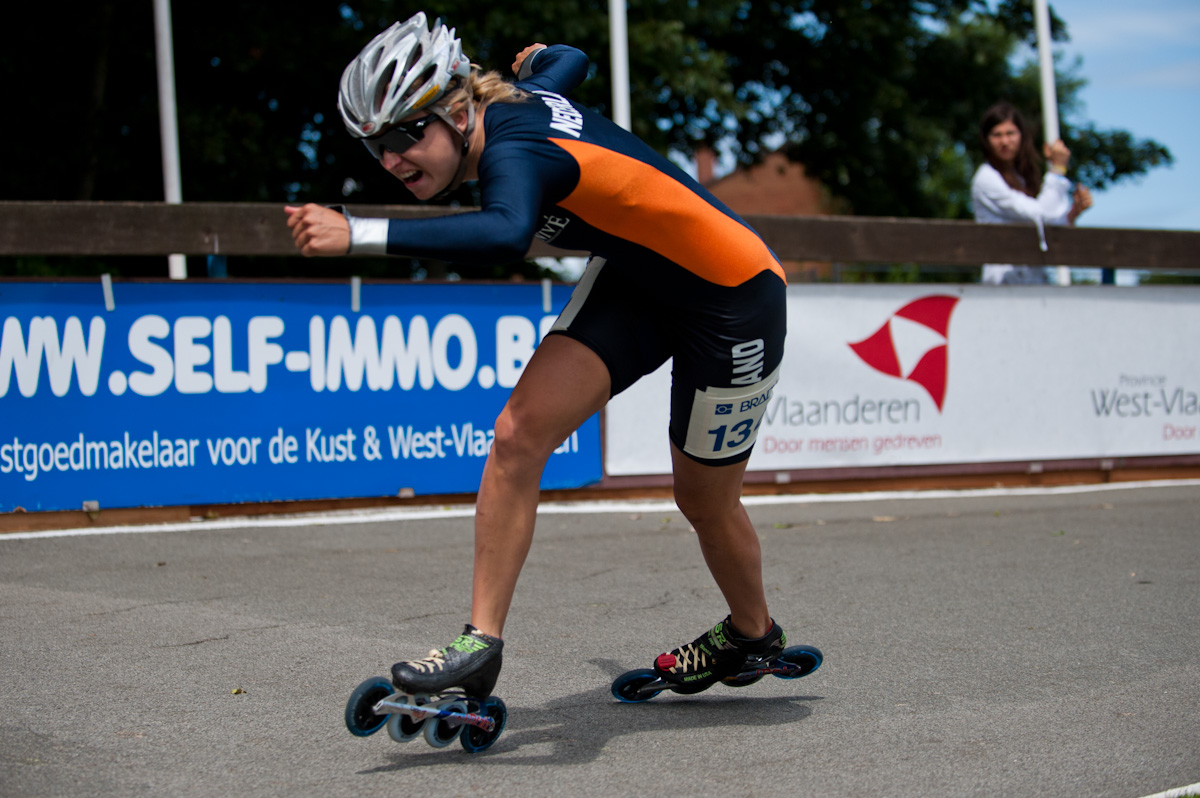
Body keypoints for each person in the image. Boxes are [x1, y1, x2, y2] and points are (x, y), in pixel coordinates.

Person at [285, 13, 790, 700]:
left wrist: (358, 234)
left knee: (703, 499)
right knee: (517, 435)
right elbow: (570, 62)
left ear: (457, 108)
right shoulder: (521, 99)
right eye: (377, 147)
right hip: (638, 279)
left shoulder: (515, 145)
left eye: (406, 135)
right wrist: (541, 58)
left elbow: (506, 231)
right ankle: (479, 644)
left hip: (733, 297)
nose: (394, 161)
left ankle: (752, 634)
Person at [971, 101, 1093, 285]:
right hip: (1003, 283)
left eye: (1010, 133)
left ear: (1022, 135)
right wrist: (1057, 170)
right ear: (986, 140)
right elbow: (1041, 214)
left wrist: (1073, 213)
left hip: (1032, 280)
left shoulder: (1022, 177)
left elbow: (1044, 223)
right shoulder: (986, 178)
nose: (1004, 141)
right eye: (997, 135)